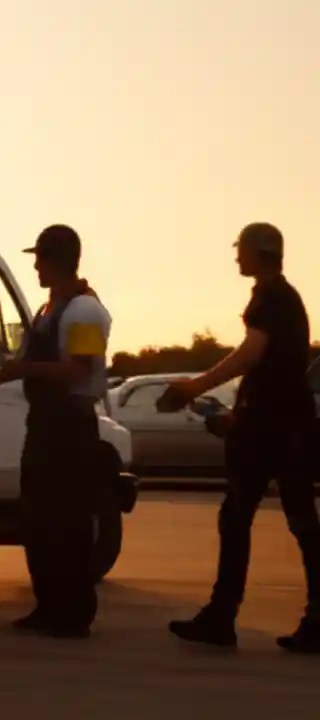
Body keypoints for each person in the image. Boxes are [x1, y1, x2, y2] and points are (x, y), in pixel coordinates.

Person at [159, 222, 320, 653]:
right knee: (297, 521)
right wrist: (239, 415)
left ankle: (222, 616)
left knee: (244, 519)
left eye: (241, 250)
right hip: (282, 424)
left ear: (257, 253)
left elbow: (251, 355)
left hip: (275, 429)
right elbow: (272, 371)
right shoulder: (282, 298)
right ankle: (307, 619)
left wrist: (196, 385)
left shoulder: (273, 298)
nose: (236, 258)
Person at [0, 224, 111, 639]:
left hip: (71, 424)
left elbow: (79, 370)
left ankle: (73, 613)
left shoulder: (85, 311)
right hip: (44, 422)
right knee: (39, 517)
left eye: (39, 259)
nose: (35, 267)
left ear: (57, 261)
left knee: (69, 518)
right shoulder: (46, 310)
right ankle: (48, 605)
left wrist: (22, 370)